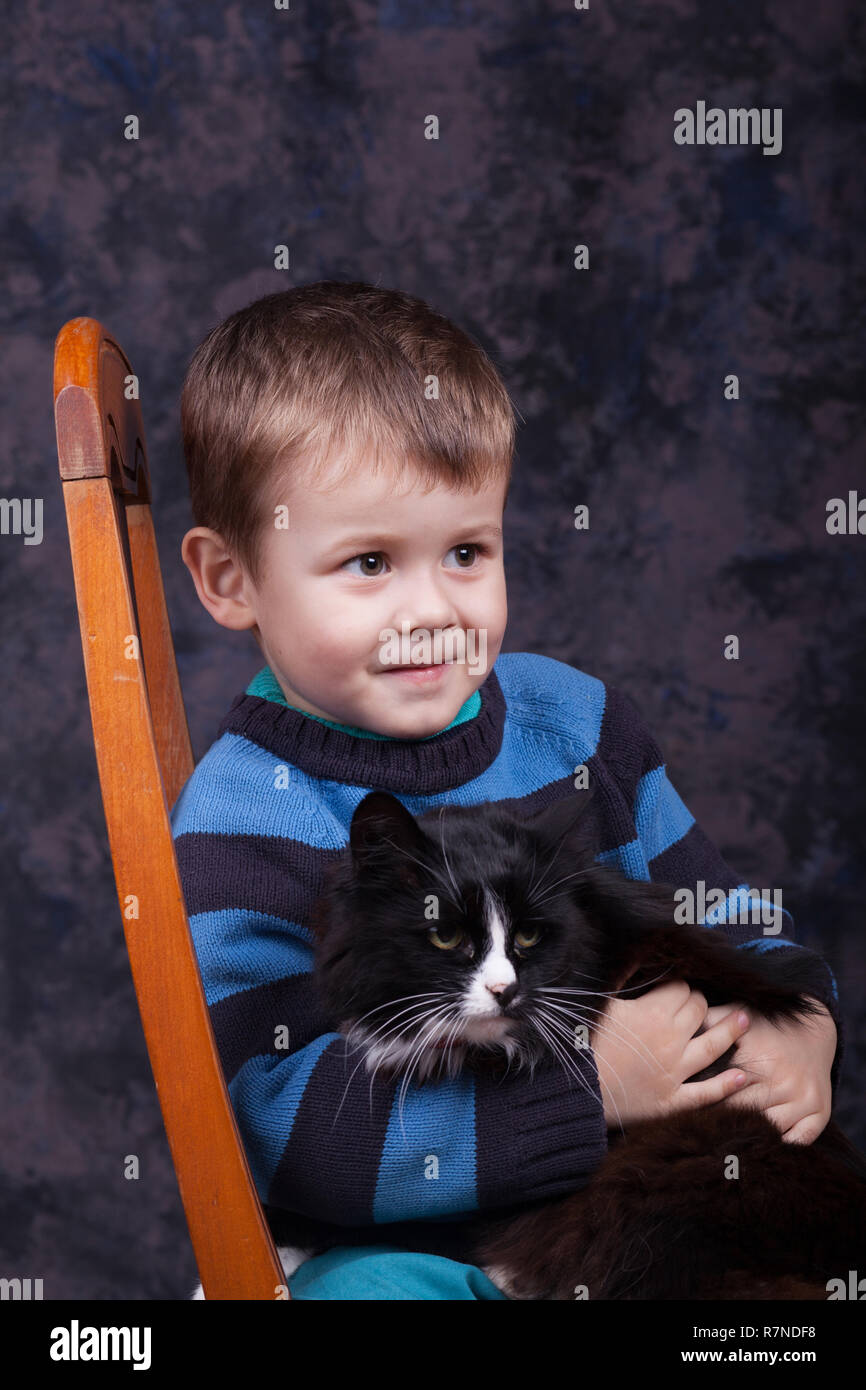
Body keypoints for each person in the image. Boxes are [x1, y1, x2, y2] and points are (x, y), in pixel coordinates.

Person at [171, 280, 841, 1300]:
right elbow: (264, 1129)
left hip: (643, 1229)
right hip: (413, 1245)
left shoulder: (572, 723)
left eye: (466, 552)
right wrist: (589, 1085)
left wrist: (802, 1023)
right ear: (232, 580)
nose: (432, 608)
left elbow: (720, 914)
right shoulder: (245, 811)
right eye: (367, 562)